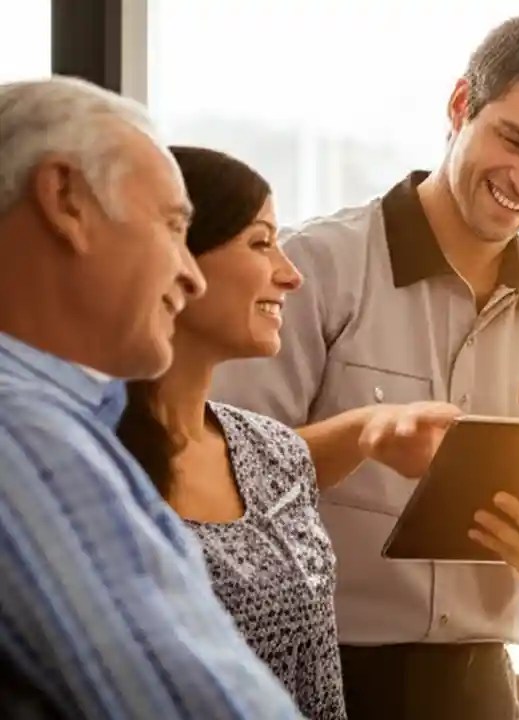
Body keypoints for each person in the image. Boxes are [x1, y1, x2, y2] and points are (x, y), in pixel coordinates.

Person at [211, 13, 519, 719]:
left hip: (478, 693)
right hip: (307, 679)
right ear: (459, 106)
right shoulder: (311, 273)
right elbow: (218, 490)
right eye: (514, 139)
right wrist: (364, 433)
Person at [114, 145, 461, 720]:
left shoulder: (275, 456)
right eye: (259, 242)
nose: (290, 272)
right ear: (175, 259)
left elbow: (319, 692)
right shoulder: (76, 460)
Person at [0, 77, 303, 718]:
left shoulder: (64, 424)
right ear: (66, 200)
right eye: (172, 227)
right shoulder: (25, 433)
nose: (188, 274)